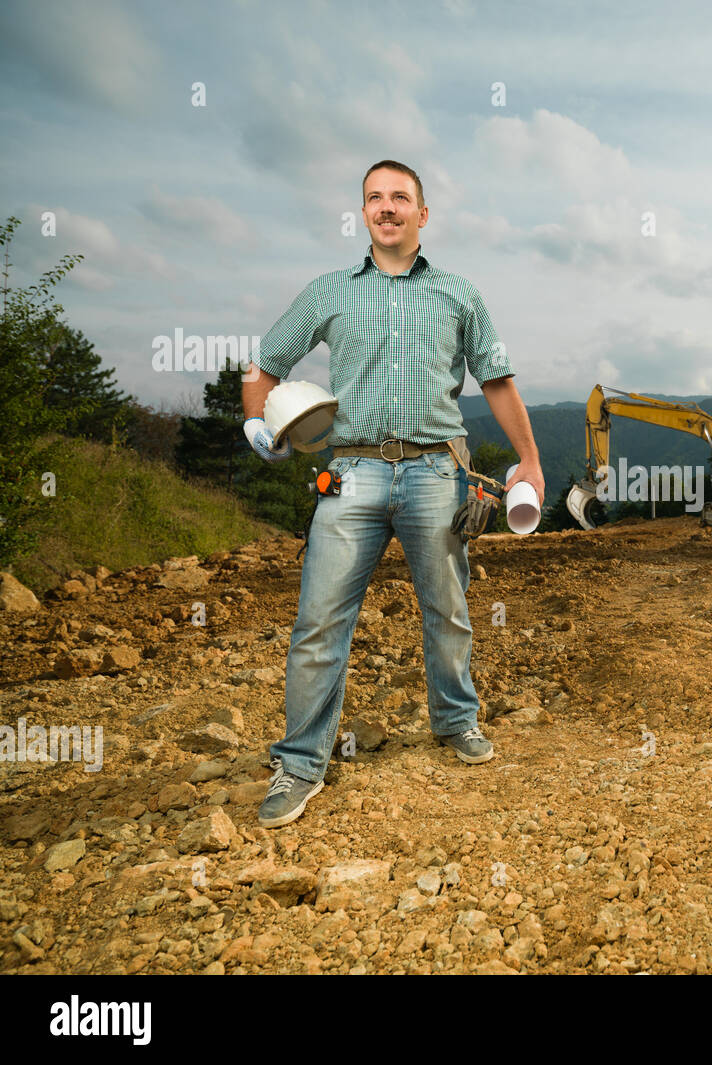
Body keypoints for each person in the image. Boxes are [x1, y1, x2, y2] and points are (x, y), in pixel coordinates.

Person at [241, 159, 545, 829]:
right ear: (364, 214)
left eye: (400, 197)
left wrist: (529, 458)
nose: (387, 207)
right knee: (320, 620)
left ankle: (456, 720)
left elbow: (496, 381)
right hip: (349, 474)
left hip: (438, 471)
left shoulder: (460, 295)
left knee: (449, 610)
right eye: (375, 198)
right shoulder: (328, 293)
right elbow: (263, 363)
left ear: (422, 214)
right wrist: (256, 422)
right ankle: (299, 763)